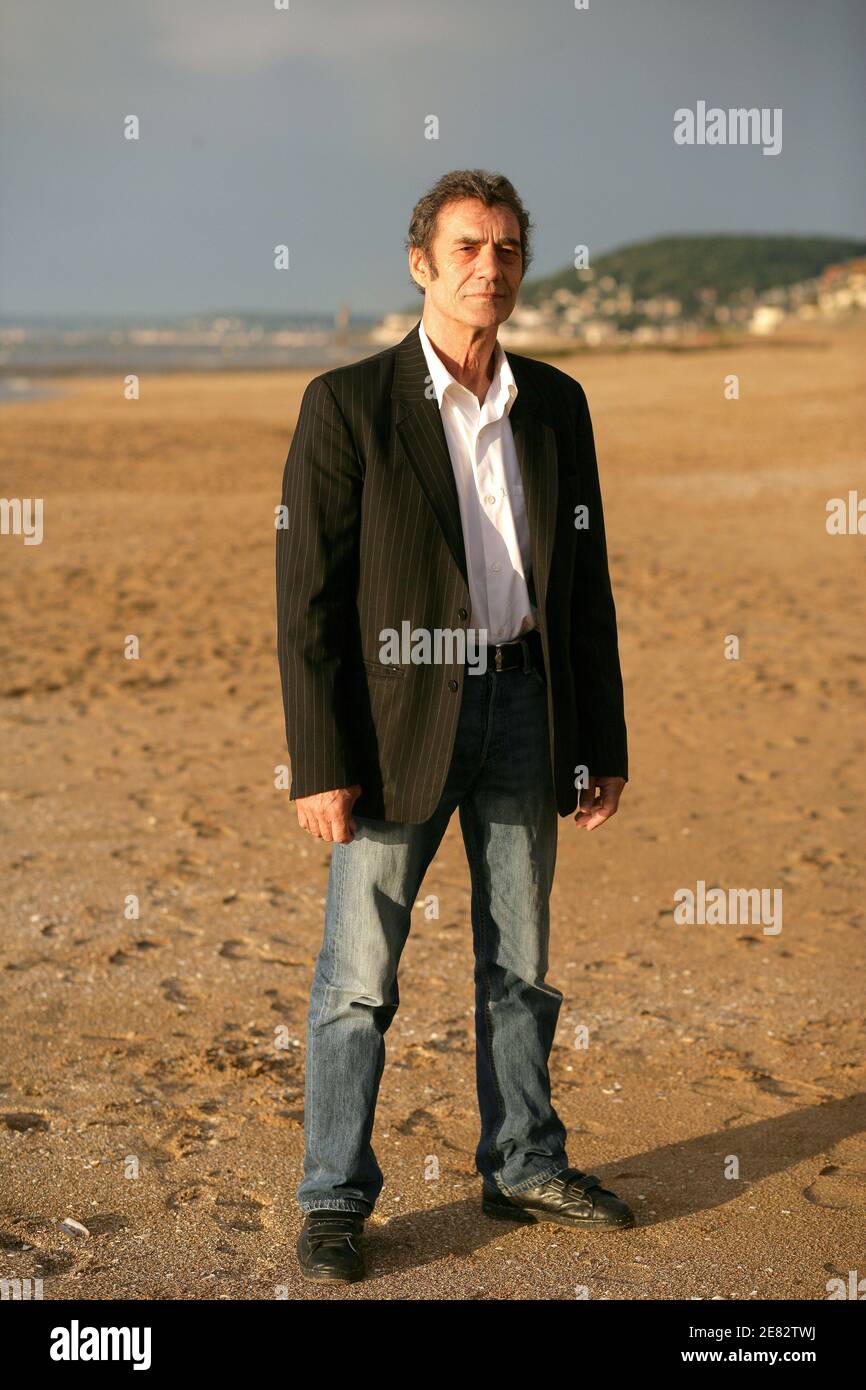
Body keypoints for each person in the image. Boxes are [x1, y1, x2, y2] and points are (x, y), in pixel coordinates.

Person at [276, 169, 632, 1284]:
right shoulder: (347, 403)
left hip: (527, 705)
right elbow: (308, 603)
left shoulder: (557, 403)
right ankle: (334, 1198)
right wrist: (321, 762)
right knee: (356, 980)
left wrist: (599, 742)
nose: (491, 269)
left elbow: (582, 588)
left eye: (509, 250)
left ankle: (522, 1163)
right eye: (468, 248)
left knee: (519, 964)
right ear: (420, 264)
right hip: (393, 724)